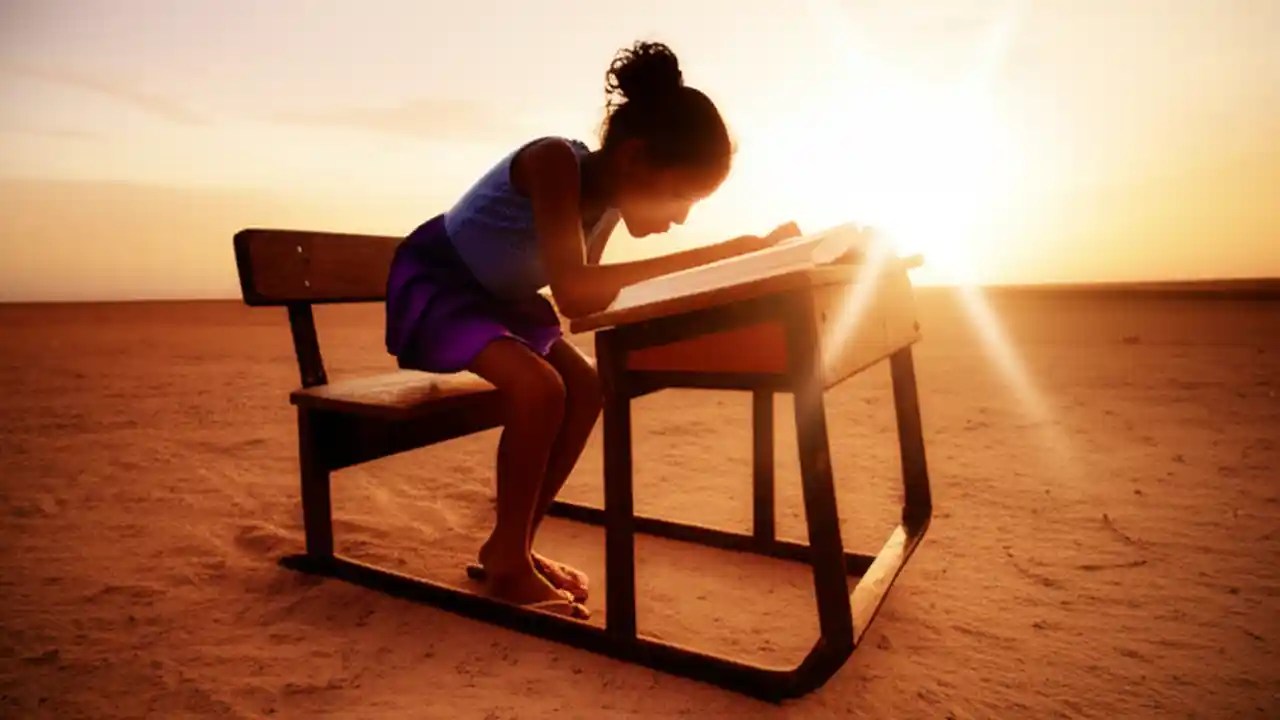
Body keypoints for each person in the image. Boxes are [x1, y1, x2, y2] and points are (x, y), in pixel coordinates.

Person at [384, 40, 800, 617]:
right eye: (681, 196)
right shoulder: (555, 163)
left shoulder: (604, 205)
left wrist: (742, 267)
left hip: (499, 302)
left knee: (586, 386)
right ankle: (509, 560)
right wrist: (722, 252)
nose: (681, 217)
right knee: (540, 389)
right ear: (634, 157)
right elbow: (576, 290)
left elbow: (586, 299)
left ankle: (513, 546)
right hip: (443, 287)